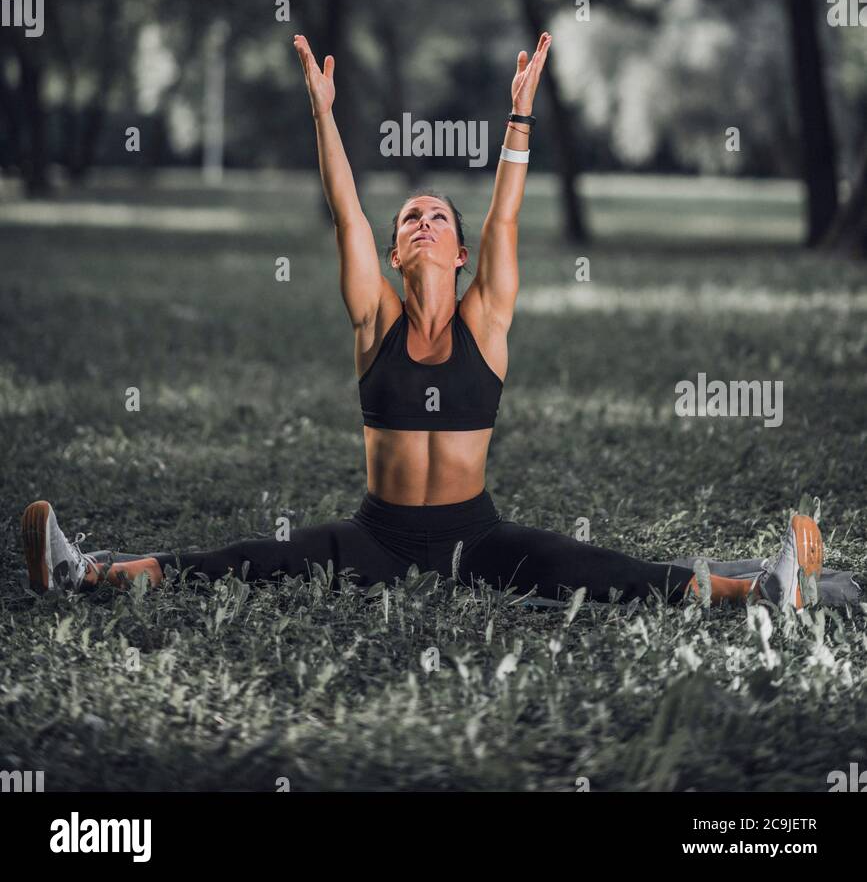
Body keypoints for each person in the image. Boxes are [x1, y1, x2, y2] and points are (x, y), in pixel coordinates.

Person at [21, 32, 824, 610]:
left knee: (593, 566)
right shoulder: (373, 317)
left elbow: (506, 223)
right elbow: (344, 214)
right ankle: (87, 573)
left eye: (437, 217)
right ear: (394, 252)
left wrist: (519, 118)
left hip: (476, 535)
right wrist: (323, 115)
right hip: (378, 537)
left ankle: (759, 588)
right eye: (409, 219)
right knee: (250, 559)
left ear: (461, 253)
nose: (422, 224)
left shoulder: (487, 316)